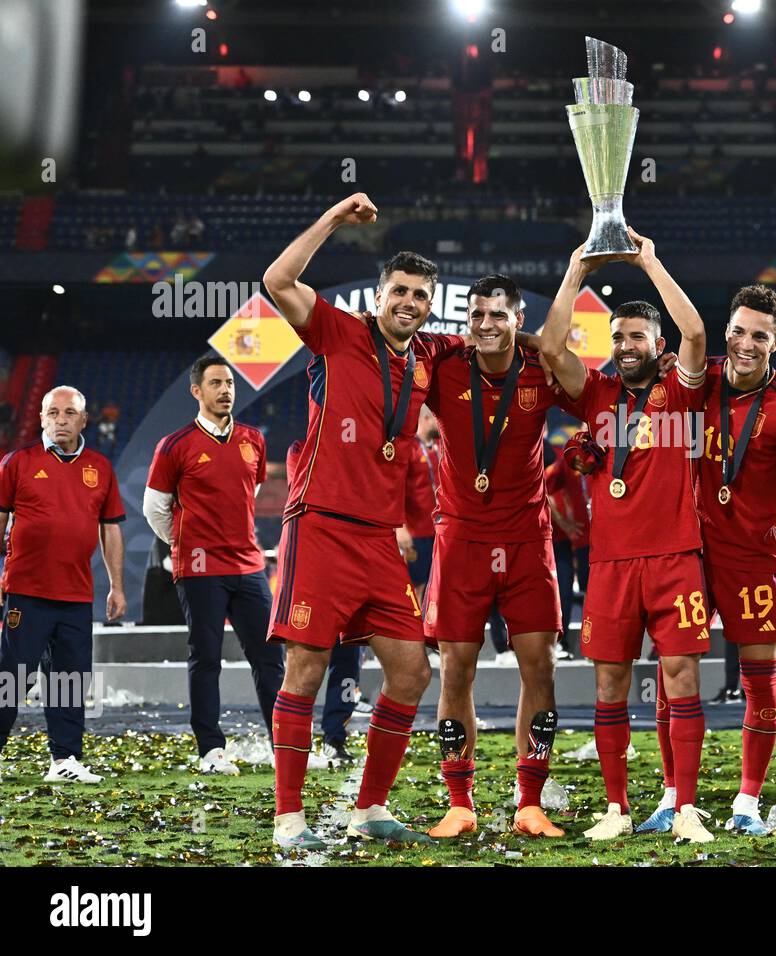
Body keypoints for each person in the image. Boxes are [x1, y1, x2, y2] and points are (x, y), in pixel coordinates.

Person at [261, 192, 460, 849]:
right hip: (319, 526)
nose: (409, 303)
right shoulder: (336, 332)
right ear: (379, 296)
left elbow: (500, 344)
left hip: (379, 541)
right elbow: (277, 280)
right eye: (400, 291)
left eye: (420, 296)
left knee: (411, 672)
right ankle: (289, 817)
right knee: (307, 671)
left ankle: (369, 807)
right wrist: (332, 221)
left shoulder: (428, 359)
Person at [539, 233, 715, 844]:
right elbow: (549, 347)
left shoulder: (683, 391)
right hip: (610, 564)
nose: (625, 346)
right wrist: (572, 271)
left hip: (675, 559)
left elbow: (696, 335)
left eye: (636, 336)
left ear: (655, 344)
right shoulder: (596, 395)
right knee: (609, 685)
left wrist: (649, 262)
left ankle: (685, 807)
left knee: (682, 681)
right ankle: (616, 807)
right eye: (617, 338)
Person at [670, 283, 776, 839]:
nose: (744, 342)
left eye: (759, 335)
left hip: (754, 560)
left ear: (775, 342)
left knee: (760, 681)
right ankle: (673, 798)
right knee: (676, 674)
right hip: (687, 552)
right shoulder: (696, 376)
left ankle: (747, 801)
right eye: (737, 330)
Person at [421, 273, 568, 840]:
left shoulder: (542, 370)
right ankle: (460, 801)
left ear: (519, 320)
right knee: (456, 668)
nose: (485, 325)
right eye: (477, 315)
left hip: (529, 537)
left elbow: (581, 370)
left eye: (498, 316)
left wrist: (542, 344)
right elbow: (394, 334)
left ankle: (529, 800)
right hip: (461, 538)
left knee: (541, 666)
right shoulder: (444, 364)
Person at [143, 355, 285, 775]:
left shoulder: (253, 439)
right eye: (216, 383)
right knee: (206, 658)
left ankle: (285, 746)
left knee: (269, 658)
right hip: (199, 569)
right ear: (197, 391)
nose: (226, 390)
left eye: (230, 383)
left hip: (247, 566)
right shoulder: (173, 445)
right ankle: (211, 749)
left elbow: (252, 489)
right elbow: (155, 507)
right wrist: (186, 544)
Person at [0, 386, 127, 783]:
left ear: (83, 420)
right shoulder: (17, 463)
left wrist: (116, 586)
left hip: (75, 595)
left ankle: (65, 760)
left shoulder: (100, 468)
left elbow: (110, 530)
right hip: (26, 590)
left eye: (69, 412)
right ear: (41, 419)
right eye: (52, 412)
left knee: (69, 680)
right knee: (10, 678)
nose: (60, 419)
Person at [284, 438, 361, 767]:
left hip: (353, 565)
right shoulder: (299, 448)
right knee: (302, 664)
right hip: (312, 569)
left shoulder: (362, 447)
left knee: (349, 663)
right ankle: (291, 738)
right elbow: (312, 495)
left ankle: (335, 737)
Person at [545, 444, 590, 657]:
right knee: (564, 587)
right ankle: (559, 642)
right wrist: (564, 522)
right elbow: (543, 487)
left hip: (606, 540)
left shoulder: (617, 454)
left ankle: (600, 644)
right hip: (576, 539)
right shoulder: (568, 459)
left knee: (600, 594)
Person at [398, 406, 439, 607]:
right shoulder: (409, 449)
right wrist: (400, 527)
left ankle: (430, 634)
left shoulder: (441, 446)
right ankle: (413, 634)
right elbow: (396, 490)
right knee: (416, 588)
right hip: (416, 533)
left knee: (438, 588)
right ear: (425, 419)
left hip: (440, 531)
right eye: (436, 420)